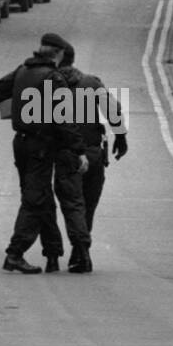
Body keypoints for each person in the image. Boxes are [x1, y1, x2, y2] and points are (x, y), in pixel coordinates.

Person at [0, 33, 91, 274]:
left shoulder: (22, 70)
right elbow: (65, 120)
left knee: (37, 196)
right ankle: (14, 254)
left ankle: (48, 254)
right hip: (40, 146)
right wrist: (79, 151)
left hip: (21, 143)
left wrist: (19, 110)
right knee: (35, 200)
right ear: (58, 55)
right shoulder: (53, 78)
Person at [55, 46, 128, 241]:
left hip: (65, 155)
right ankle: (83, 246)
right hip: (94, 153)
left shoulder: (49, 85)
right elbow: (113, 110)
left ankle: (79, 248)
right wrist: (121, 137)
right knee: (89, 203)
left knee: (72, 205)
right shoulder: (91, 83)